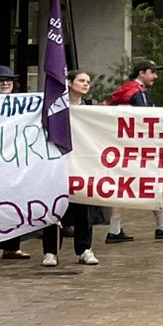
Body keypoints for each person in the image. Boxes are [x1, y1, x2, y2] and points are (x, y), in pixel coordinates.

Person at [0, 67, 53, 262]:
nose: (5, 83)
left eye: (8, 80)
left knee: (13, 205)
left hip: (13, 162)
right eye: (0, 80)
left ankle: (11, 247)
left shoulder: (23, 105)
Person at [105, 60, 163, 243]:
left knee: (125, 186)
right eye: (153, 72)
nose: (155, 76)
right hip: (137, 148)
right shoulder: (137, 93)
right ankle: (162, 227)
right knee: (153, 183)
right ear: (142, 73)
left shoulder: (128, 91)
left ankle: (116, 230)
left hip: (124, 147)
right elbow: (146, 121)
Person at [43, 69, 103, 267]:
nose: (86, 84)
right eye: (81, 80)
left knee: (83, 207)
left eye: (88, 81)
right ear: (69, 82)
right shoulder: (56, 107)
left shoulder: (91, 108)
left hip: (83, 164)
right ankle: (51, 251)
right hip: (59, 163)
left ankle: (84, 248)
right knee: (55, 207)